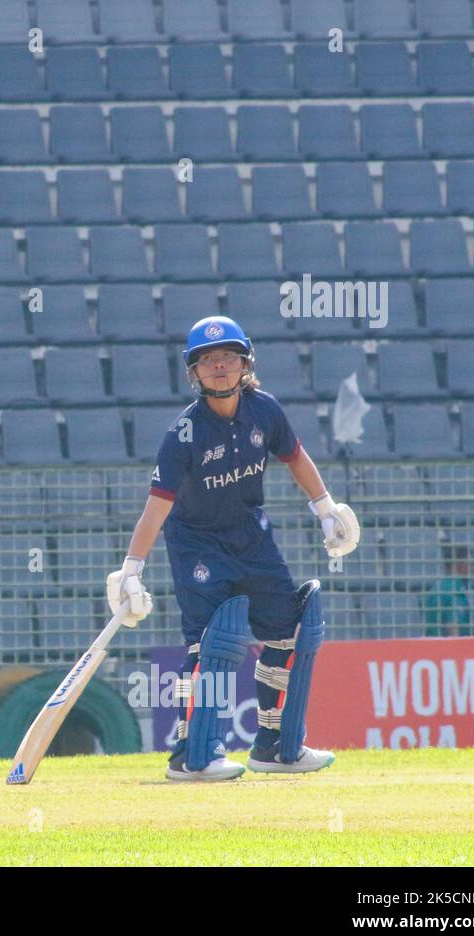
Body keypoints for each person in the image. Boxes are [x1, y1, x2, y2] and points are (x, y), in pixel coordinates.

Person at [108, 317, 361, 782]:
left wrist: (325, 506)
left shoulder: (264, 410)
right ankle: (191, 755)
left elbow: (295, 455)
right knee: (213, 642)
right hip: (197, 543)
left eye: (227, 357)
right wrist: (132, 568)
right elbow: (157, 505)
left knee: (291, 631)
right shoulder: (182, 434)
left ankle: (276, 746)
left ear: (245, 363)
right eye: (208, 360)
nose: (219, 367)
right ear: (195, 373)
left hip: (251, 534)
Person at [423, 545, 472, 637]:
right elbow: (453, 628)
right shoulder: (455, 590)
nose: (473, 568)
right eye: (470, 564)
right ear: (460, 563)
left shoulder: (437, 587)